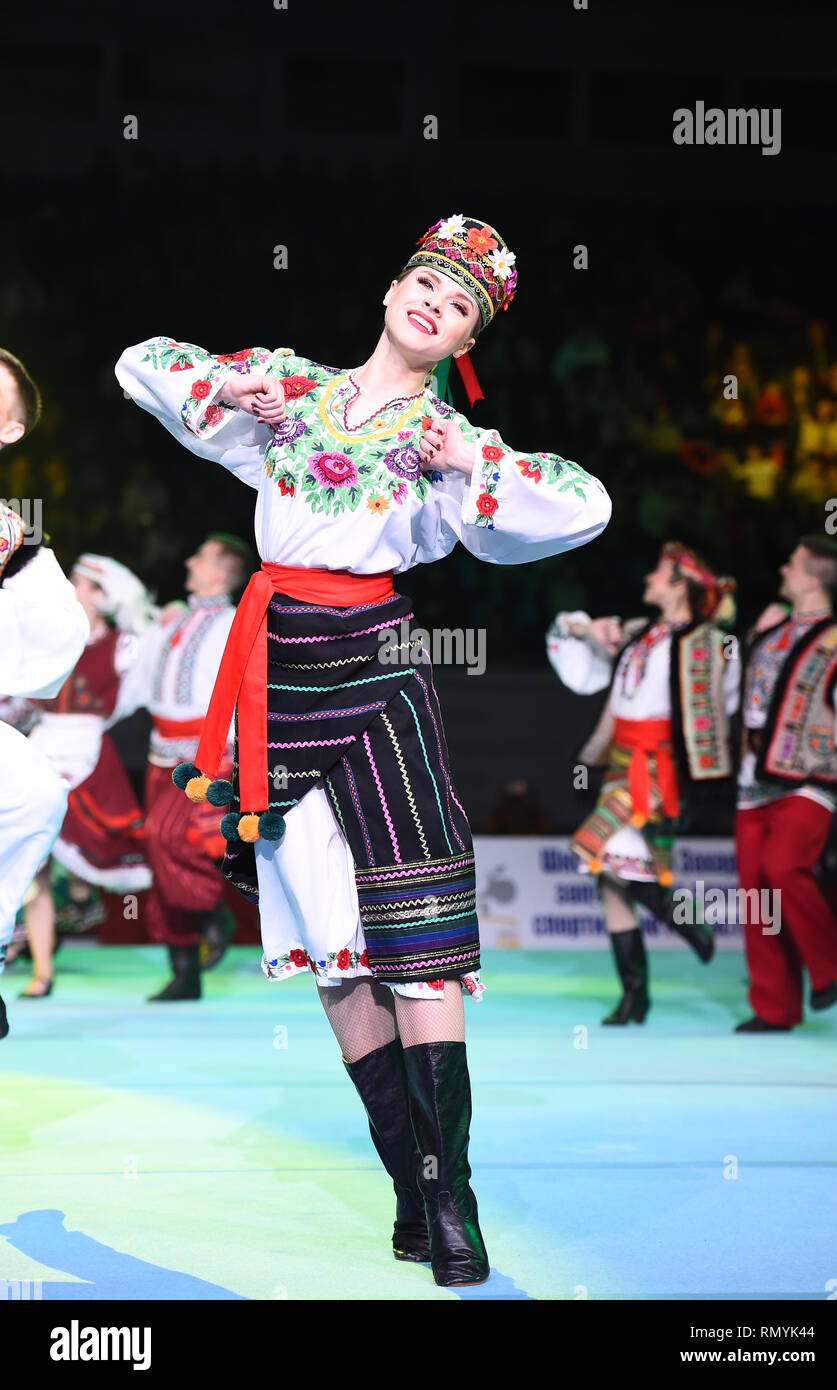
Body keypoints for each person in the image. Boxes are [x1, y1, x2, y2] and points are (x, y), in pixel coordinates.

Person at [115, 212, 611, 1286]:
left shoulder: (447, 446)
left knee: (417, 933)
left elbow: (583, 506)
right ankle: (409, 1186)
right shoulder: (290, 388)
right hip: (279, 671)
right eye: (430, 280)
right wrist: (226, 392)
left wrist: (471, 451)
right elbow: (139, 363)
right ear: (394, 287)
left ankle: (454, 1197)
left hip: (381, 667)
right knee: (335, 954)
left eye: (463, 305)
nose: (439, 301)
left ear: (465, 341)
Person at [547, 541, 739, 1024]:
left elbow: (724, 708)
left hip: (659, 767)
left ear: (680, 582)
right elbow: (607, 688)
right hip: (620, 761)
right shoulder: (640, 635)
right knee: (612, 881)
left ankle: (686, 920)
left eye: (660, 570)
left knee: (590, 847)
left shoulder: (709, 644)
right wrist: (587, 757)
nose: (649, 577)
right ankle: (635, 996)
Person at [109, 535, 250, 1001]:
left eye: (201, 556)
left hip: (204, 755)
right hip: (159, 751)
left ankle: (212, 912)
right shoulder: (175, 617)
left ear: (220, 572)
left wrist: (232, 748)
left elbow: (245, 687)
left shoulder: (235, 622)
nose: (189, 559)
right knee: (158, 851)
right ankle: (184, 969)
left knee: (173, 839)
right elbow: (137, 671)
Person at [734, 536, 837, 1032]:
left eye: (792, 564)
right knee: (756, 895)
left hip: (809, 783)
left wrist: (833, 773)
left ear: (813, 578)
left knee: (785, 869)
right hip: (754, 781)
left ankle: (830, 965)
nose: (783, 570)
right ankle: (775, 1007)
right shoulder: (770, 632)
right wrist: (752, 638)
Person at [0, 350, 90, 1038]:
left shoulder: (14, 535)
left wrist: (19, 559)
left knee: (35, 792)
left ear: (10, 431)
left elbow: (55, 652)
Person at [19, 556, 155, 997]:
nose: (67, 589)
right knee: (32, 860)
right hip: (41, 745)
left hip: (87, 749)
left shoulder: (123, 643)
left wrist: (152, 614)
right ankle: (42, 969)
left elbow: (149, 673)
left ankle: (80, 893)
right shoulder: (48, 635)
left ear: (100, 594)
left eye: (77, 583)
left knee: (95, 838)